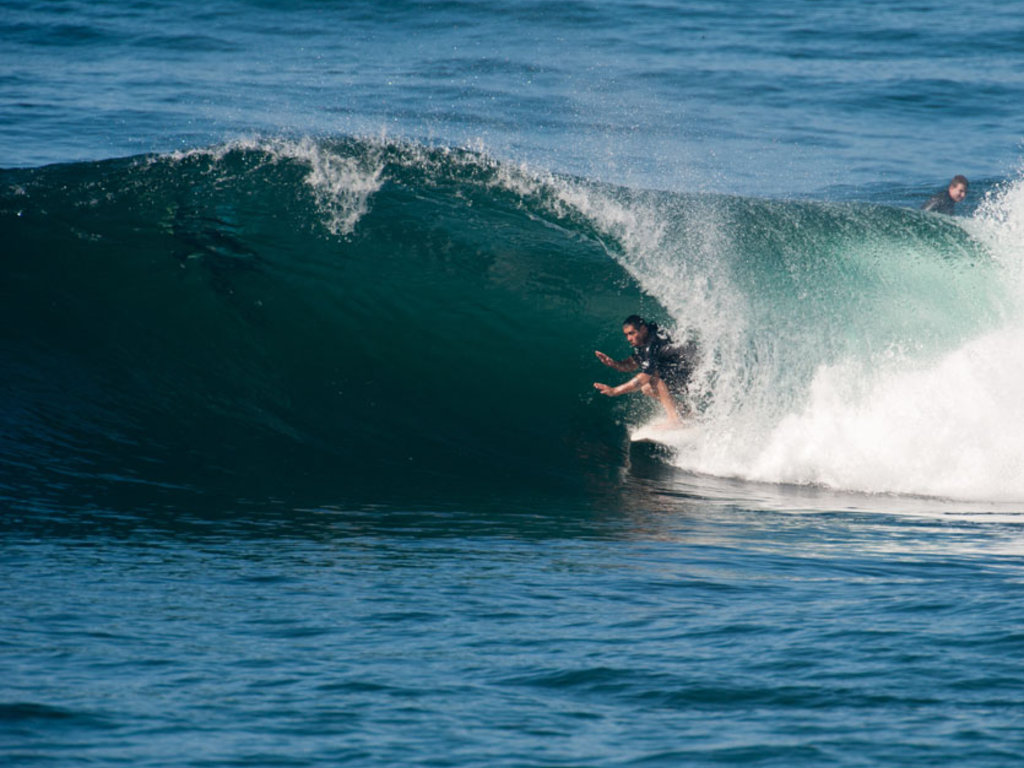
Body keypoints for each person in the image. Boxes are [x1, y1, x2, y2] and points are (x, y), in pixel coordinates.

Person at [593, 315, 698, 425]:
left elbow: (644, 377)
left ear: (643, 329)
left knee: (651, 377)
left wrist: (615, 391)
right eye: (626, 335)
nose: (628, 338)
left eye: (631, 333)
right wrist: (613, 364)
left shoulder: (653, 343)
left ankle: (674, 420)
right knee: (647, 388)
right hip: (683, 370)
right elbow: (633, 364)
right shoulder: (646, 340)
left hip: (692, 373)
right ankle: (684, 411)